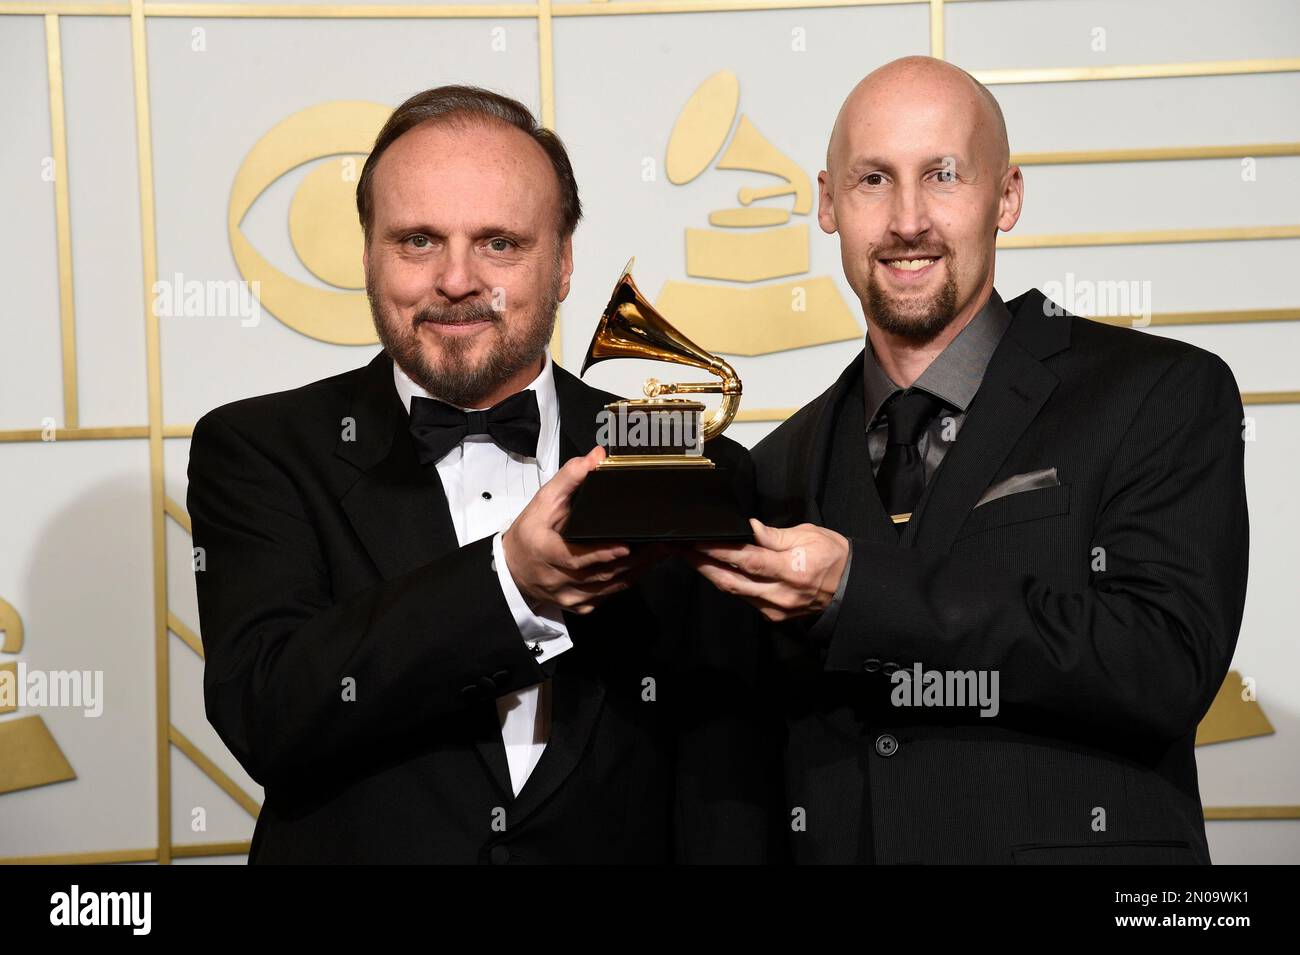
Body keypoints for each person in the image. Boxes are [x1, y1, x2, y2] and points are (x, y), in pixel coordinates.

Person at [188, 86, 774, 864]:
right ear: (369, 256)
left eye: (500, 243)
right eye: (418, 241)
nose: (458, 279)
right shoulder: (258, 448)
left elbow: (726, 780)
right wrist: (510, 585)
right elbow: (267, 714)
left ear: (563, 263)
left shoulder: (687, 461)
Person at [689, 56, 1248, 864]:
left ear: (1006, 196)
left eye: (943, 175)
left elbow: (1164, 662)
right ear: (827, 203)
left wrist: (859, 590)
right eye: (873, 180)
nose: (907, 220)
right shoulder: (777, 467)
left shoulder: (1158, 393)